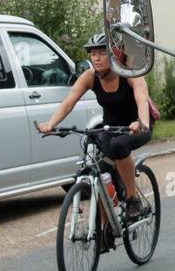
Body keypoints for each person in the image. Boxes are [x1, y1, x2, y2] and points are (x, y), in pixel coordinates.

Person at [37, 32, 153, 223]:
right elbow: (69, 102)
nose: (96, 59)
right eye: (93, 54)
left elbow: (141, 99)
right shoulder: (90, 77)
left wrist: (141, 123)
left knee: (118, 147)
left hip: (137, 126)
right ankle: (104, 228)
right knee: (98, 170)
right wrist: (52, 123)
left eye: (102, 53)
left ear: (115, 53)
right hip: (110, 127)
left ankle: (132, 199)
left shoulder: (130, 74)